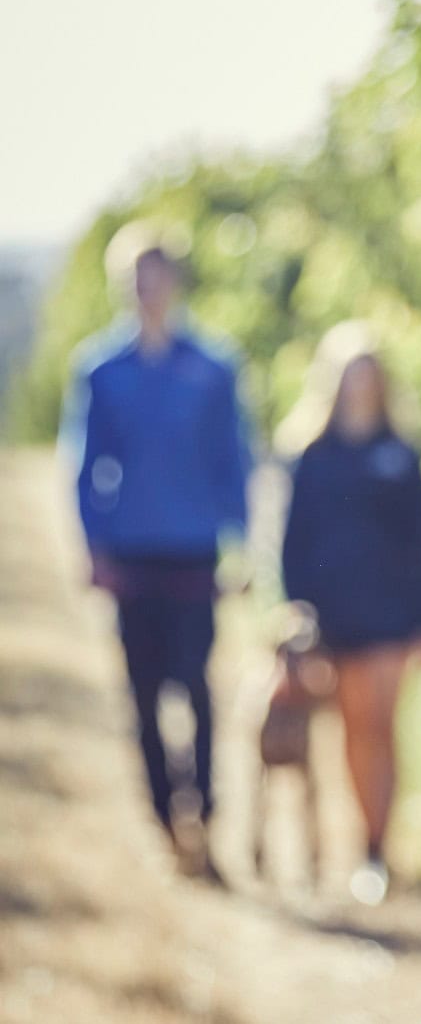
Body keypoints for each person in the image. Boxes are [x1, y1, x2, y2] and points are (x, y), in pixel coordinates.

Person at [60, 240, 252, 881]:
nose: (148, 290)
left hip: (193, 549)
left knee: (194, 684)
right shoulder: (100, 367)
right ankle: (166, 818)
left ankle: (206, 807)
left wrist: (242, 542)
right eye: (136, 280)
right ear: (123, 285)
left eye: (157, 277)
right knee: (143, 693)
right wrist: (93, 548)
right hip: (131, 552)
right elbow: (85, 467)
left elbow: (234, 458)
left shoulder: (213, 366)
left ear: (174, 281)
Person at [280, 345, 421, 904]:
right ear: (334, 383)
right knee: (353, 732)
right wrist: (297, 610)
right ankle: (359, 840)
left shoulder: (400, 454)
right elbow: (292, 542)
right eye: (351, 377)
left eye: (369, 377)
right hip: (335, 620)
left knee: (382, 728)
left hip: (393, 621)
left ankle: (378, 848)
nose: (360, 388)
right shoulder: (312, 455)